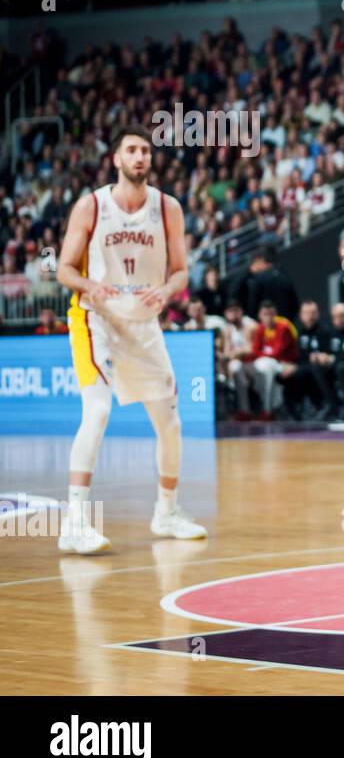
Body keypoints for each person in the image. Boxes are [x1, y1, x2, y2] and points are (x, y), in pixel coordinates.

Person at [55, 124, 206, 553]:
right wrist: (88, 286)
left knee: (170, 423)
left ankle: (167, 511)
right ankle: (75, 523)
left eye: (145, 150)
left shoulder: (168, 208)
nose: (140, 156)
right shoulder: (91, 207)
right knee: (98, 411)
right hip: (95, 318)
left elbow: (181, 271)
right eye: (132, 150)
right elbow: (63, 268)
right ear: (116, 159)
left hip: (143, 322)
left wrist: (167, 290)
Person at [284, 300, 337, 420]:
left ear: (318, 314)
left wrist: (325, 356)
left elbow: (332, 352)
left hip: (321, 367)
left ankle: (330, 405)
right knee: (290, 372)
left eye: (313, 313)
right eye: (307, 313)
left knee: (315, 370)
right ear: (301, 315)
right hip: (301, 365)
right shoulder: (295, 332)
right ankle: (293, 407)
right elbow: (291, 353)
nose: (310, 316)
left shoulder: (325, 331)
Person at [249, 300, 299, 420]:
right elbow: (255, 351)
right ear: (260, 316)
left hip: (285, 364)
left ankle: (268, 409)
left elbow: (277, 353)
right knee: (261, 367)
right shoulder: (260, 329)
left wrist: (263, 354)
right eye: (265, 314)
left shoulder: (283, 328)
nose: (268, 318)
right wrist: (265, 354)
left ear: (275, 314)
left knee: (267, 365)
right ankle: (269, 407)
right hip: (268, 363)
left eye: (271, 314)